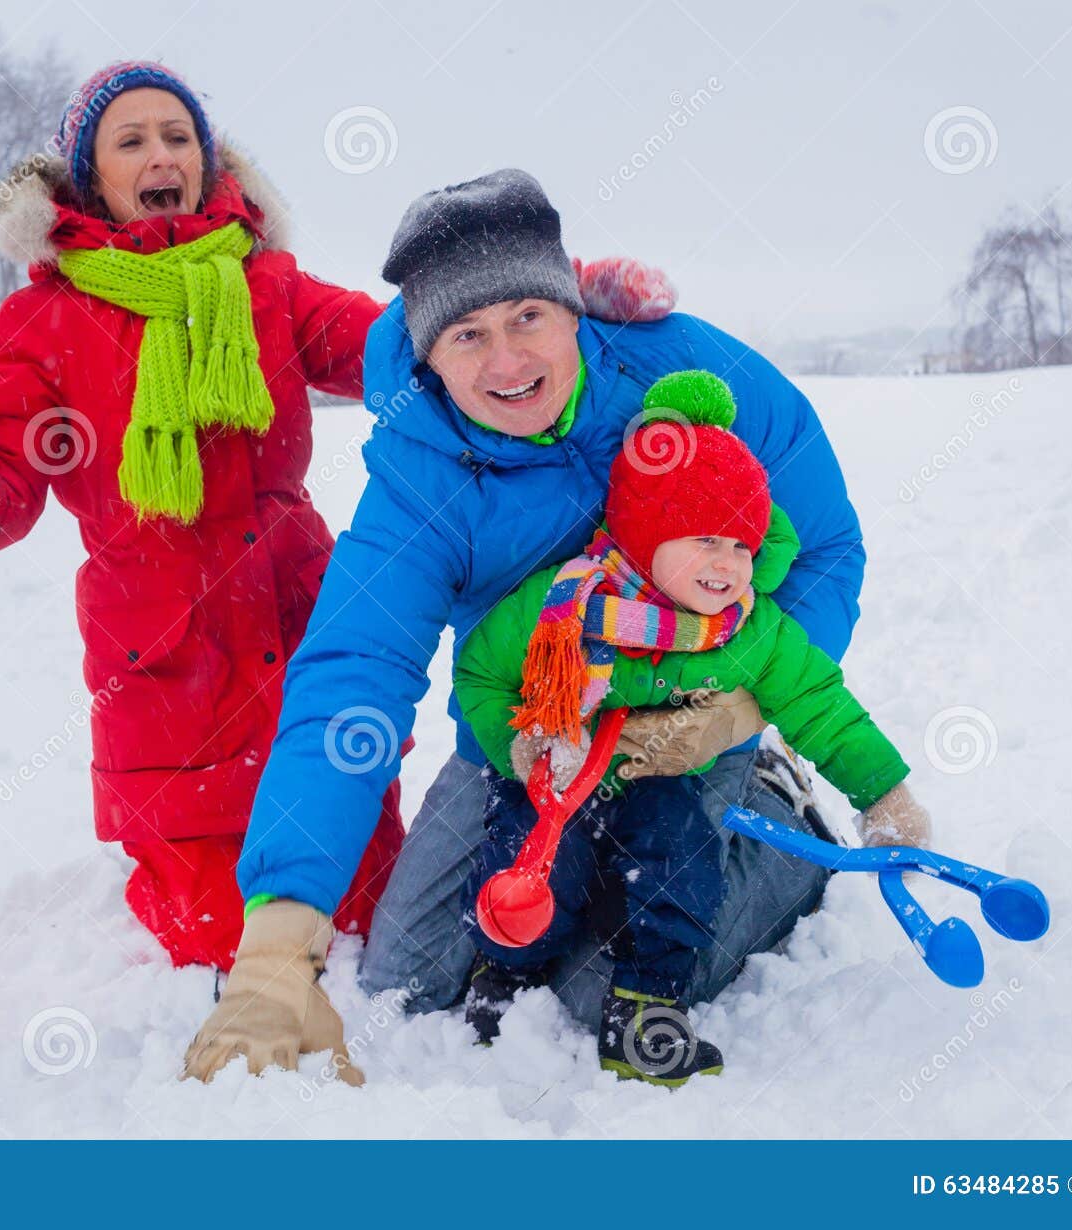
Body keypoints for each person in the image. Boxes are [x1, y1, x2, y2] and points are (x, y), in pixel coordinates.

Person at [0, 65, 663, 974]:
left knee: (368, 928)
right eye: (131, 140)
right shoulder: (40, 321)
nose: (161, 156)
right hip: (166, 680)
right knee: (222, 948)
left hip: (302, 646)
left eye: (179, 136)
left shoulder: (266, 286)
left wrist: (547, 301)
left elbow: (410, 351)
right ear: (88, 176)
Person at [185, 169, 871, 1085]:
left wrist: (741, 707)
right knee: (406, 979)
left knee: (600, 991)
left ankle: (781, 827)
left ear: (571, 309)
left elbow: (826, 545)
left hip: (686, 718)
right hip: (526, 732)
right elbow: (354, 671)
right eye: (467, 334)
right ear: (430, 355)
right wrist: (278, 944)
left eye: (527, 317)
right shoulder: (420, 475)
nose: (507, 361)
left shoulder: (686, 373)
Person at [453, 369, 933, 1086]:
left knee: (679, 858)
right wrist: (520, 747)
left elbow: (819, 702)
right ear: (647, 533)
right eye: (706, 538)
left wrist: (884, 795)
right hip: (560, 767)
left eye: (741, 545)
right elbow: (480, 672)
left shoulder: (749, 629)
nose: (727, 564)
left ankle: (648, 1006)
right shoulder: (564, 603)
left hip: (662, 778)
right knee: (532, 858)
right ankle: (505, 973)